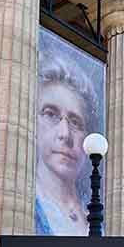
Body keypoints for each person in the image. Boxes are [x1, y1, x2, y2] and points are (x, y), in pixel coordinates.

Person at [35, 54, 97, 236]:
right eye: (50, 114)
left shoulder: (95, 214)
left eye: (76, 122)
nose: (65, 134)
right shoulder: (20, 204)